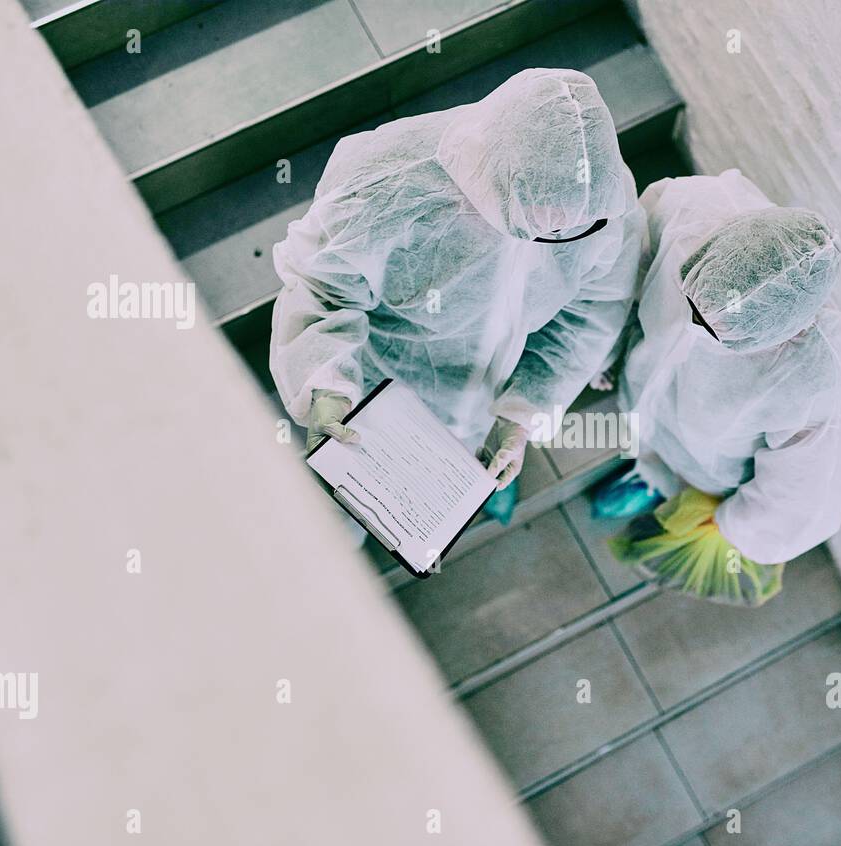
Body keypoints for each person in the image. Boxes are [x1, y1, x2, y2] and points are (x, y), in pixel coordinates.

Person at [270, 68, 644, 524]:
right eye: (533, 223)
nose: (556, 234)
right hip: (382, 382)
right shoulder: (385, 184)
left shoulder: (596, 199)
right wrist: (325, 381)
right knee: (361, 500)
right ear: (491, 179)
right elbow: (321, 287)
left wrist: (521, 414)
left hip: (490, 391)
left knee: (455, 483)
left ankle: (469, 487)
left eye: (565, 229)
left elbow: (590, 314)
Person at [594, 170, 841, 605]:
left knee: (684, 463)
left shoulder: (819, 382)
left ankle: (657, 484)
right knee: (647, 414)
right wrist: (607, 342)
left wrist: (728, 524)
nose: (694, 325)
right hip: (651, 376)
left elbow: (800, 497)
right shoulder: (693, 207)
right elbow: (629, 254)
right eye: (693, 305)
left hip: (709, 460)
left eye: (714, 330)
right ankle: (643, 467)